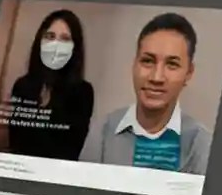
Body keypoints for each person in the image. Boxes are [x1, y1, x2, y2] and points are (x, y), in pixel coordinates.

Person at [79, 13, 213, 175]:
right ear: (134, 64)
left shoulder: (200, 144)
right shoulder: (102, 131)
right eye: (148, 61)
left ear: (189, 73)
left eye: (172, 64)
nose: (156, 77)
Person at [5, 9, 95, 160]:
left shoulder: (83, 91)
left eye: (65, 39)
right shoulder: (22, 85)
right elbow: (15, 142)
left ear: (74, 48)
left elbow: (71, 150)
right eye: (50, 36)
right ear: (40, 41)